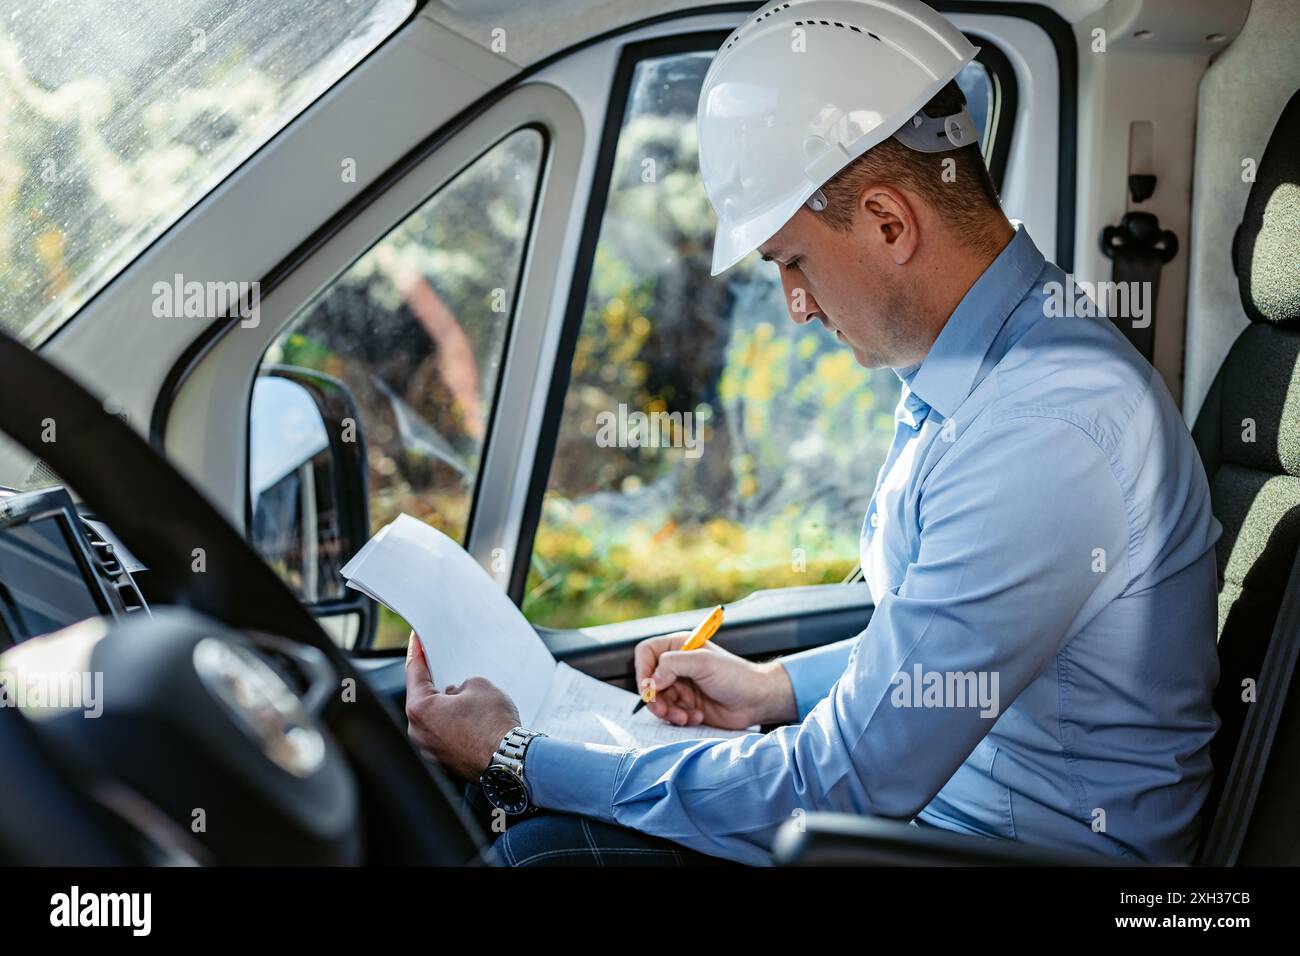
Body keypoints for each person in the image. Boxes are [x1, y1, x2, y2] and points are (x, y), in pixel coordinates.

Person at [404, 0, 1221, 866]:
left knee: (539, 857)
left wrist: (522, 756)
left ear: (888, 222)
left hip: (1004, 853)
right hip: (941, 823)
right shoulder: (989, 373)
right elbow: (940, 643)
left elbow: (839, 784)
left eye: (793, 261)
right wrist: (774, 687)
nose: (795, 306)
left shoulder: (1043, 425)